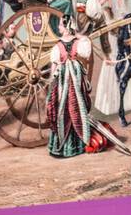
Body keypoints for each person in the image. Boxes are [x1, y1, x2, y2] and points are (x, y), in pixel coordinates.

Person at [45, 16, 110, 159]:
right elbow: (83, 59)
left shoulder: (62, 46)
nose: (59, 28)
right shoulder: (76, 43)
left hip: (68, 81)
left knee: (70, 109)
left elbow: (54, 67)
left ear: (67, 27)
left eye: (61, 26)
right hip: (71, 80)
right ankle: (72, 145)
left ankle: (71, 146)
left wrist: (52, 83)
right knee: (70, 109)